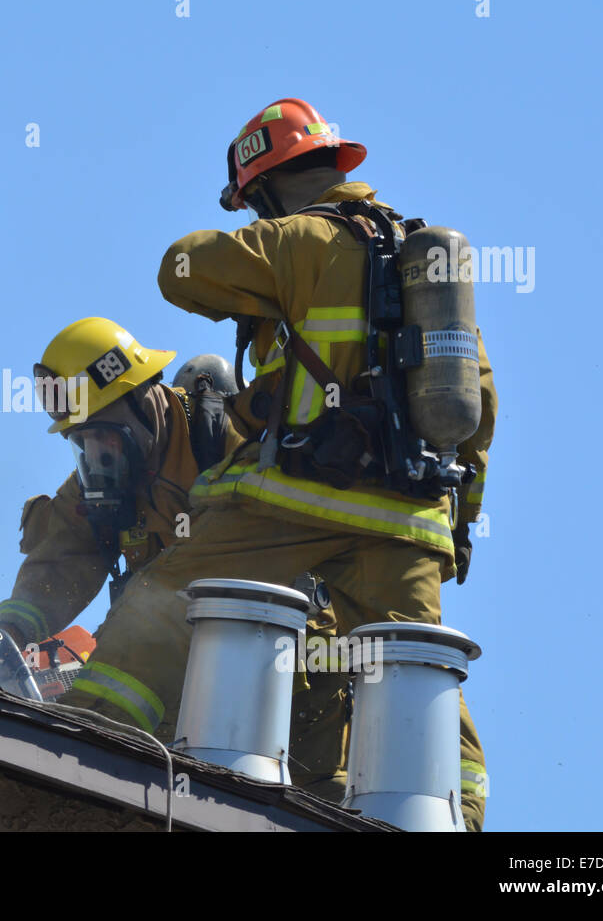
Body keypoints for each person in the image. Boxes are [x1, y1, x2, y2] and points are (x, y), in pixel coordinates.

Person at [60, 98, 495, 830]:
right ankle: (460, 817)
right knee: (420, 671)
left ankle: (74, 749)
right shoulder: (431, 272)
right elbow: (476, 407)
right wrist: (458, 527)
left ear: (265, 186)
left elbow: (180, 269)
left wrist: (260, 255)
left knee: (160, 605)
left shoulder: (300, 240)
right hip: (412, 523)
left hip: (298, 504)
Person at [0, 319, 247, 664]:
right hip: (166, 654)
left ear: (141, 401)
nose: (95, 456)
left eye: (104, 435)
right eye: (82, 441)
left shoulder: (229, 445)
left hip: (257, 652)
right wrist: (9, 632)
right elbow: (63, 562)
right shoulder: (99, 476)